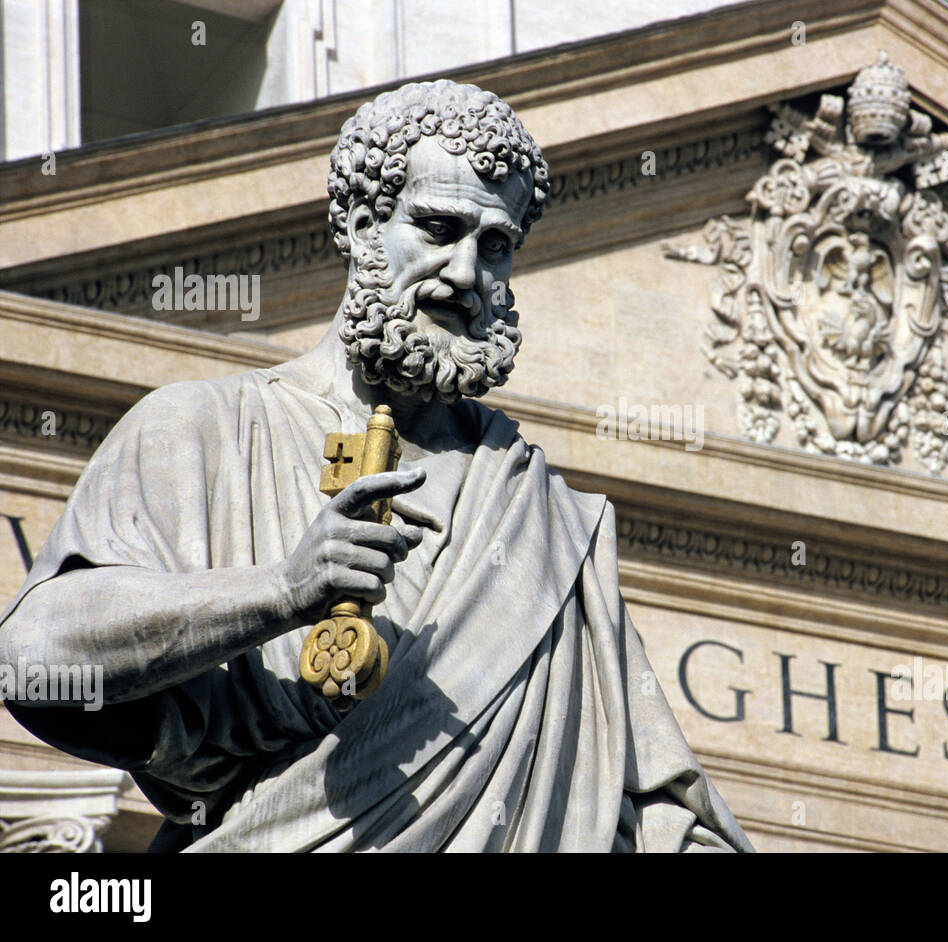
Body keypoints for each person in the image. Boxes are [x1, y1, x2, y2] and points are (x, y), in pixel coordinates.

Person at [0, 80, 752, 853]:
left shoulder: (549, 520)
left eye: (495, 246)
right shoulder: (205, 428)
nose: (465, 274)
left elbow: (651, 815)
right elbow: (31, 661)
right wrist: (279, 592)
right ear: (363, 227)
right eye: (437, 228)